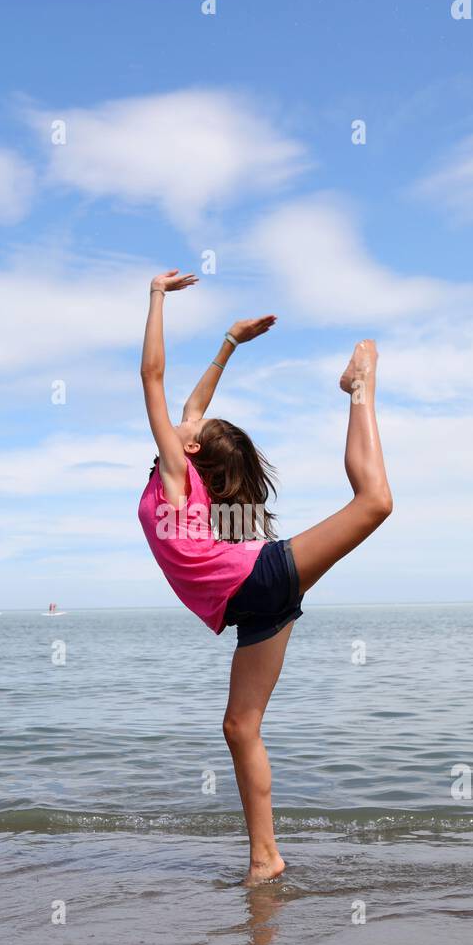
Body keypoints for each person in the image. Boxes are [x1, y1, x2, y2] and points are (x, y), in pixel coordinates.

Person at [138, 271, 393, 884]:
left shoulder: (177, 474)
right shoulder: (182, 470)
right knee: (239, 727)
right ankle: (265, 859)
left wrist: (155, 296)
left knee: (375, 502)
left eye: (189, 429)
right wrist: (228, 339)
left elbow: (152, 377)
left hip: (257, 579)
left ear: (191, 452)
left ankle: (362, 387)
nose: (184, 420)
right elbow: (195, 405)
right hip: (252, 604)